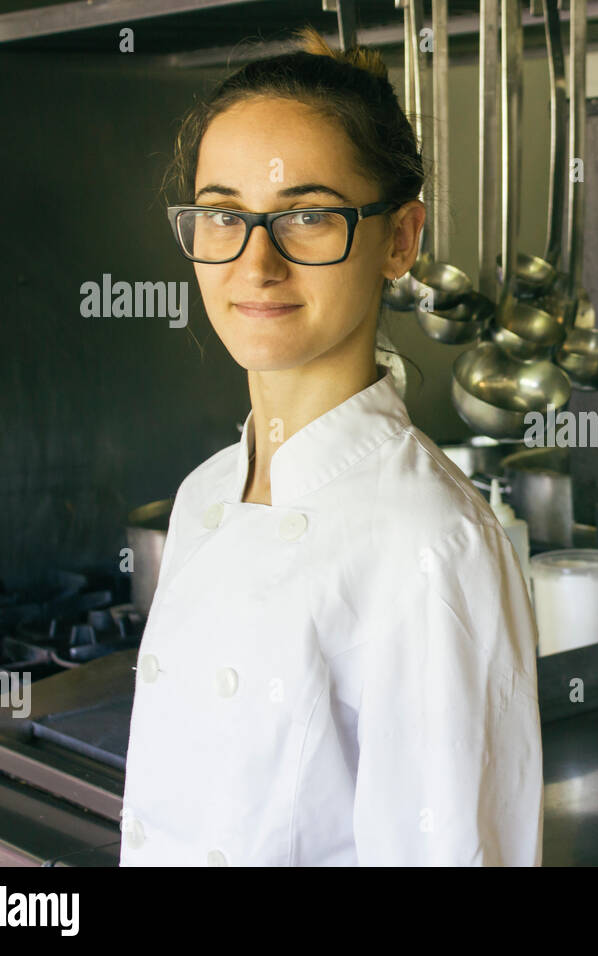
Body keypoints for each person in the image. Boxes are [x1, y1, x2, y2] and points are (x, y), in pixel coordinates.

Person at [119, 26, 543, 866]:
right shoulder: (204, 495)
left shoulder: (436, 545)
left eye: (308, 215)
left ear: (400, 239)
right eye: (222, 216)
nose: (256, 263)